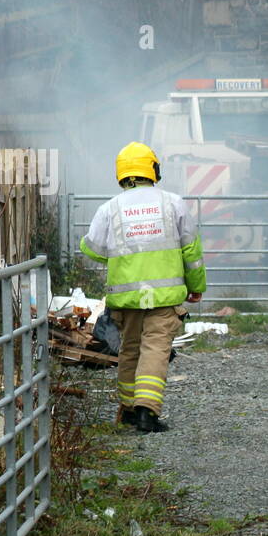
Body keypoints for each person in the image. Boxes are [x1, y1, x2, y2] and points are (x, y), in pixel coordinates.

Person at [80, 142, 206, 432]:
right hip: (164, 298)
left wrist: (119, 255)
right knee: (155, 349)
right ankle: (147, 412)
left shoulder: (110, 208)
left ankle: (126, 410)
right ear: (153, 169)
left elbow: (92, 247)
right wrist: (195, 286)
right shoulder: (173, 203)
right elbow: (191, 251)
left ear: (121, 173)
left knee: (130, 349)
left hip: (127, 298)